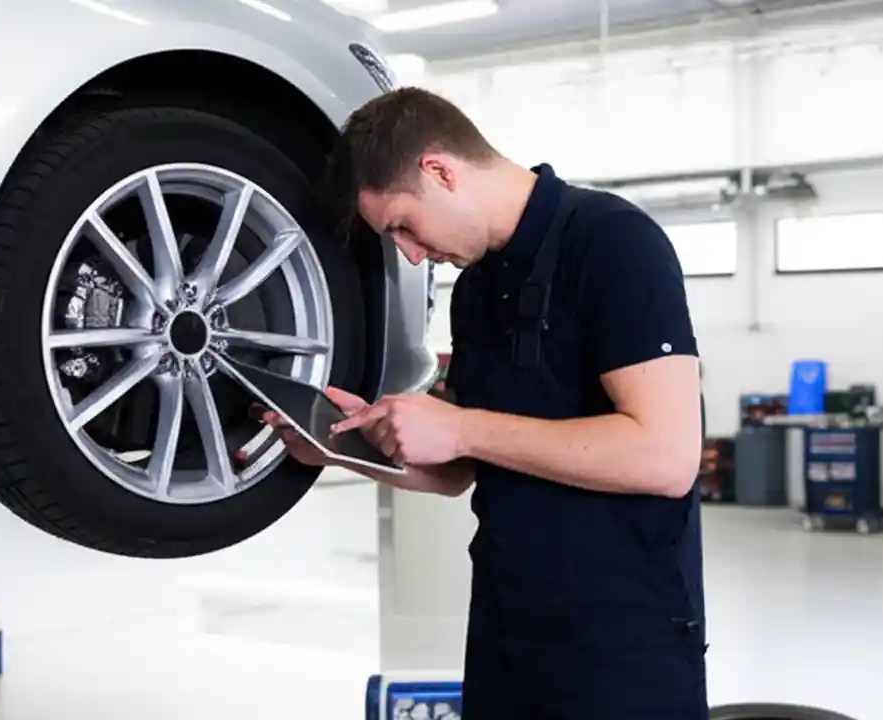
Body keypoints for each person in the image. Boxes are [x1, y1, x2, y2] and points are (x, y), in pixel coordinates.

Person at [261, 87, 708, 718]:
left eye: (403, 226)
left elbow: (666, 457)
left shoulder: (613, 242)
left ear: (440, 171)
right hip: (507, 635)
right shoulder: (476, 290)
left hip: (620, 649)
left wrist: (461, 427)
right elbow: (458, 472)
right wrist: (342, 444)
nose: (410, 253)